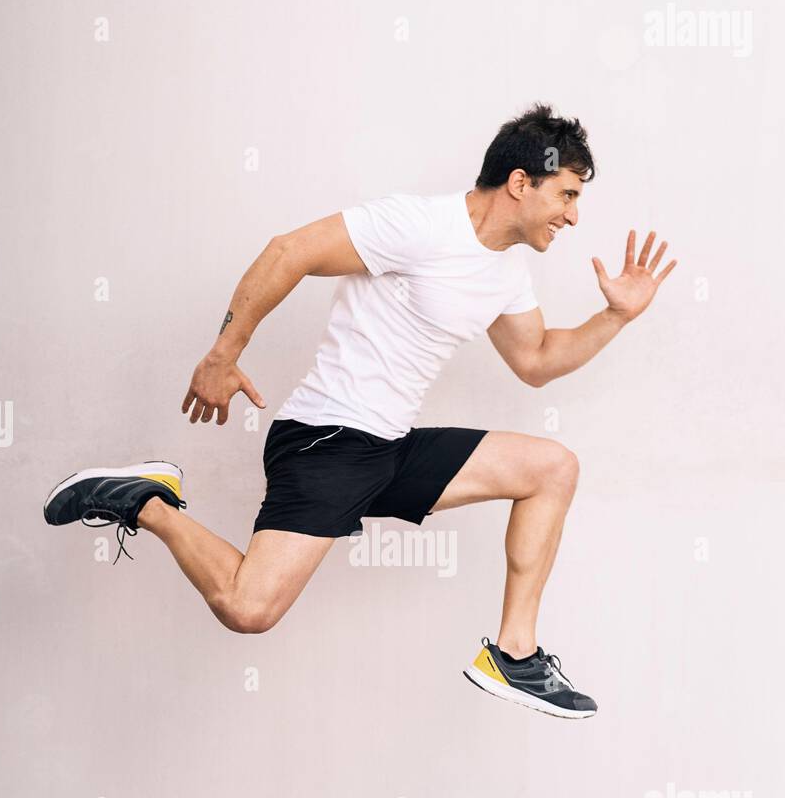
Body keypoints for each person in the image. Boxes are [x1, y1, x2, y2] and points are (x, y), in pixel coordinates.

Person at [44, 104, 676, 718]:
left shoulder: (506, 271)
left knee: (552, 468)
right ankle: (145, 499)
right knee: (248, 609)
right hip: (331, 437)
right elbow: (288, 252)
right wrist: (222, 355)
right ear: (520, 183)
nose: (572, 215)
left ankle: (514, 654)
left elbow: (535, 360)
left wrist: (615, 316)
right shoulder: (417, 224)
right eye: (566, 195)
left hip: (388, 447)